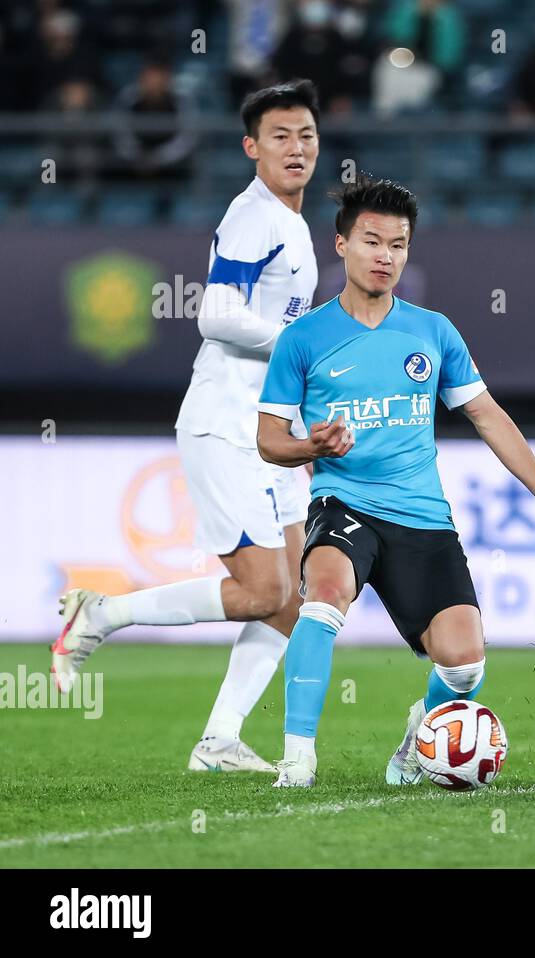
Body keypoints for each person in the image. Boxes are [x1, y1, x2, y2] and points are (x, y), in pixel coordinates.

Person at [256, 175, 535, 788]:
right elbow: (268, 441)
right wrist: (309, 445)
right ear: (340, 245)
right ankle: (298, 758)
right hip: (343, 501)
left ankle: (417, 738)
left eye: (398, 244)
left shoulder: (433, 331)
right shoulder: (302, 339)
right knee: (324, 591)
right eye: (372, 241)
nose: (385, 256)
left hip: (422, 514)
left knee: (465, 664)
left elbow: (486, 414)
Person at [53, 80, 324, 774]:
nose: (296, 149)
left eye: (307, 136)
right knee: (264, 591)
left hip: (270, 431)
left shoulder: (293, 224)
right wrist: (302, 347)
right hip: (224, 423)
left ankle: (220, 741)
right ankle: (101, 614)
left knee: (294, 599)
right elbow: (215, 315)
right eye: (280, 137)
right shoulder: (253, 215)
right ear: (251, 148)